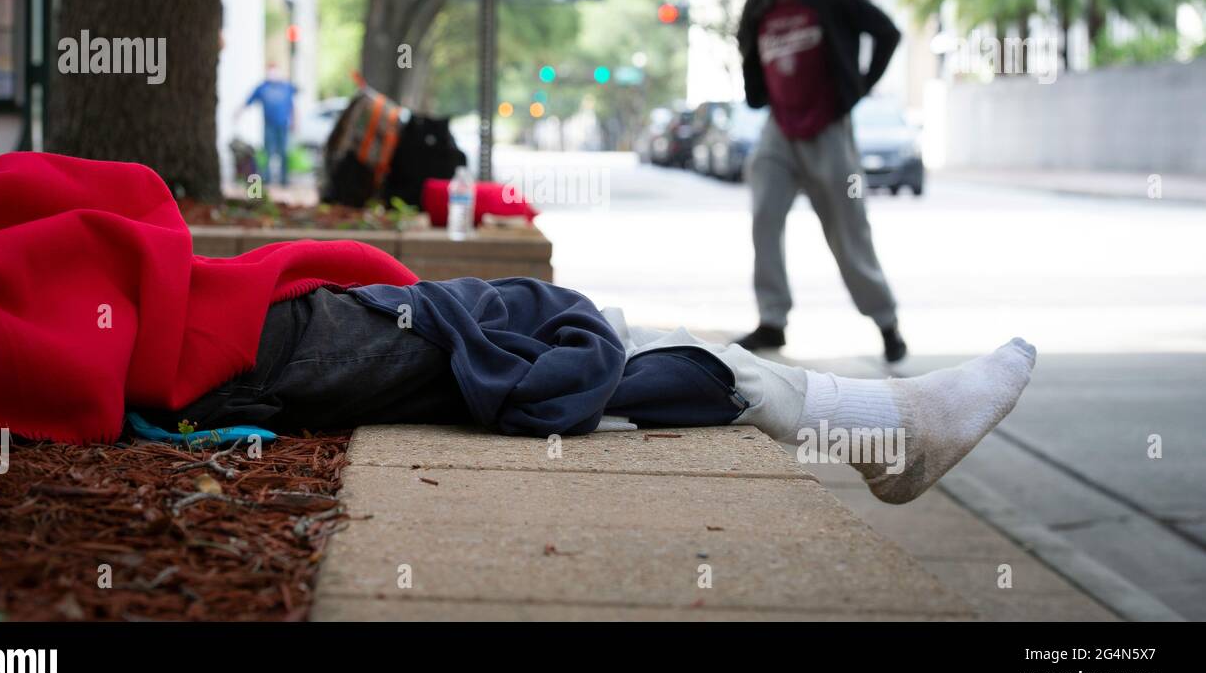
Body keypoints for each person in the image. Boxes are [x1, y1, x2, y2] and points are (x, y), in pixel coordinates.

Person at [153, 276, 1037, 507]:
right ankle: (887, 428)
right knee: (555, 350)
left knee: (561, 332)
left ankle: (883, 426)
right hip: (246, 344)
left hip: (242, 323)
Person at [735, 0, 908, 363]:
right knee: (764, 216)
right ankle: (772, 320)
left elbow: (887, 32)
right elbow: (749, 53)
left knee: (848, 227)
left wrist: (860, 87)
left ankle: (886, 320)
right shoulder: (759, 5)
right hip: (779, 128)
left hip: (828, 128)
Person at [239, 62, 296, 186]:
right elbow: (250, 100)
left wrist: (294, 121)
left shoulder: (286, 87)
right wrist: (239, 112)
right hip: (269, 125)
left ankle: (284, 179)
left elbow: (292, 106)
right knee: (268, 152)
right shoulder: (263, 87)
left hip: (283, 125)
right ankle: (267, 178)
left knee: (283, 152)